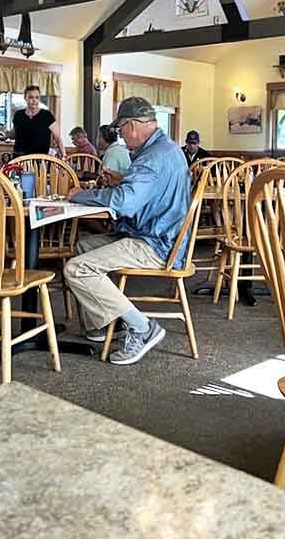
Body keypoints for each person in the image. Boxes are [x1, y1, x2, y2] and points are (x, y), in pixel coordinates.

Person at [64, 97, 190, 366]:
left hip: (156, 244)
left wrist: (80, 195)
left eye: (120, 129)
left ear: (132, 125)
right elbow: (146, 191)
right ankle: (106, 322)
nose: (119, 135)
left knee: (77, 269)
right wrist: (123, 181)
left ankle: (143, 328)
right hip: (160, 234)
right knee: (84, 246)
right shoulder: (165, 149)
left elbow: (122, 202)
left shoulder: (152, 158)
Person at [9, 85, 65, 158]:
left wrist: (63, 155)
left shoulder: (46, 115)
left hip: (40, 158)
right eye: (30, 97)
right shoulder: (18, 115)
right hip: (20, 157)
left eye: (37, 97)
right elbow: (15, 133)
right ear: (25, 98)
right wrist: (2, 136)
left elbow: (57, 138)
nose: (34, 100)